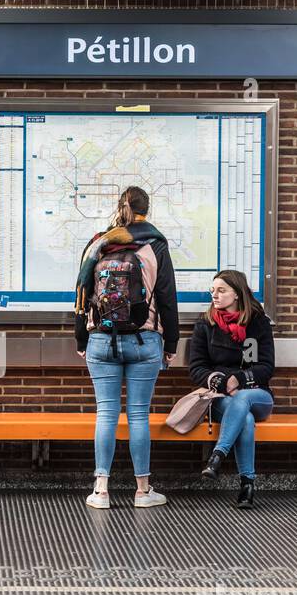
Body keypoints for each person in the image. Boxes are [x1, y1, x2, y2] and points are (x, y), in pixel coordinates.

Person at [74, 186, 179, 509]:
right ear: (148, 209)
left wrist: (82, 338)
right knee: (138, 415)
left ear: (119, 208)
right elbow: (167, 298)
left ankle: (101, 490)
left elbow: (80, 294)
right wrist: (170, 343)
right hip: (144, 340)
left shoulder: (98, 243)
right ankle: (143, 491)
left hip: (101, 341)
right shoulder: (155, 245)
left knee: (106, 412)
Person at [187, 270, 276, 509]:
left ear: (236, 294)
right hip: (221, 397)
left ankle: (218, 455)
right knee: (244, 419)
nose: (214, 295)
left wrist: (239, 379)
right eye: (212, 290)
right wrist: (221, 382)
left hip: (257, 393)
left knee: (245, 400)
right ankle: (247, 485)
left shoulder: (257, 322)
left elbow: (266, 367)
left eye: (221, 290)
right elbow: (196, 368)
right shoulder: (206, 323)